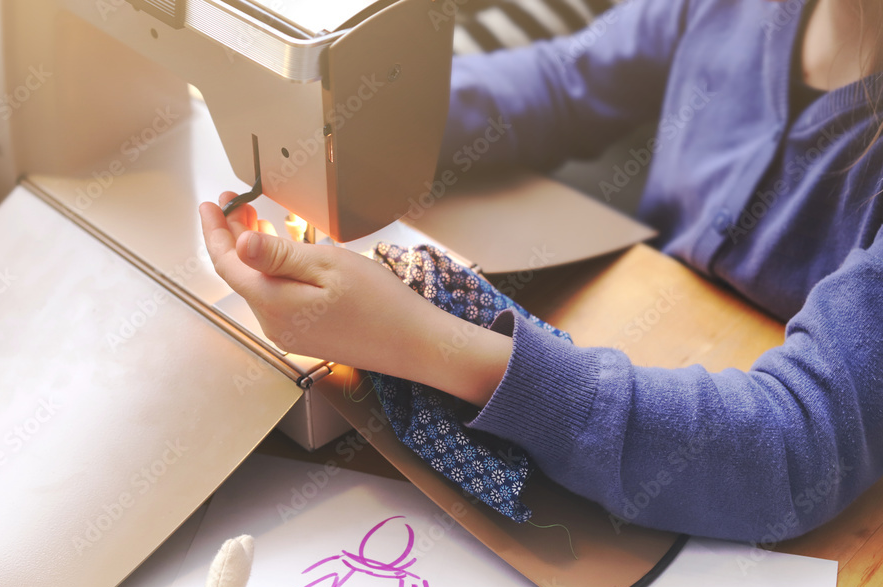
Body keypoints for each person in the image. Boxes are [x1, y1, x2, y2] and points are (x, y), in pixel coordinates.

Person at [199, 0, 883, 543]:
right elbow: (565, 82)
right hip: (649, 325)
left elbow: (796, 449)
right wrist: (350, 124)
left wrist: (425, 344)